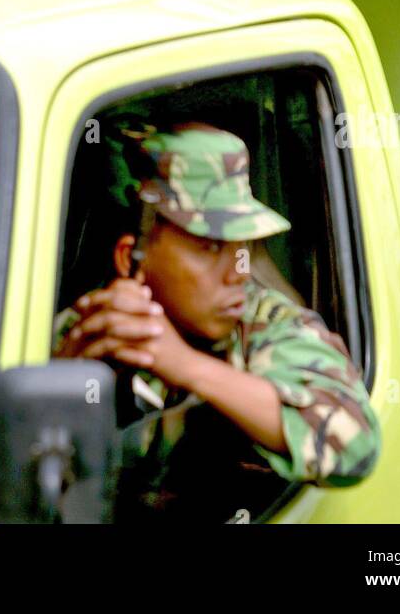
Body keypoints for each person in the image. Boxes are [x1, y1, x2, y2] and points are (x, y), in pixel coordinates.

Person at [54, 121, 380, 524]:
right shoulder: (95, 326)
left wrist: (186, 367)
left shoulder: (266, 324)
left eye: (242, 246)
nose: (238, 272)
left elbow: (353, 447)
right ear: (131, 257)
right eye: (210, 247)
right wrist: (70, 370)